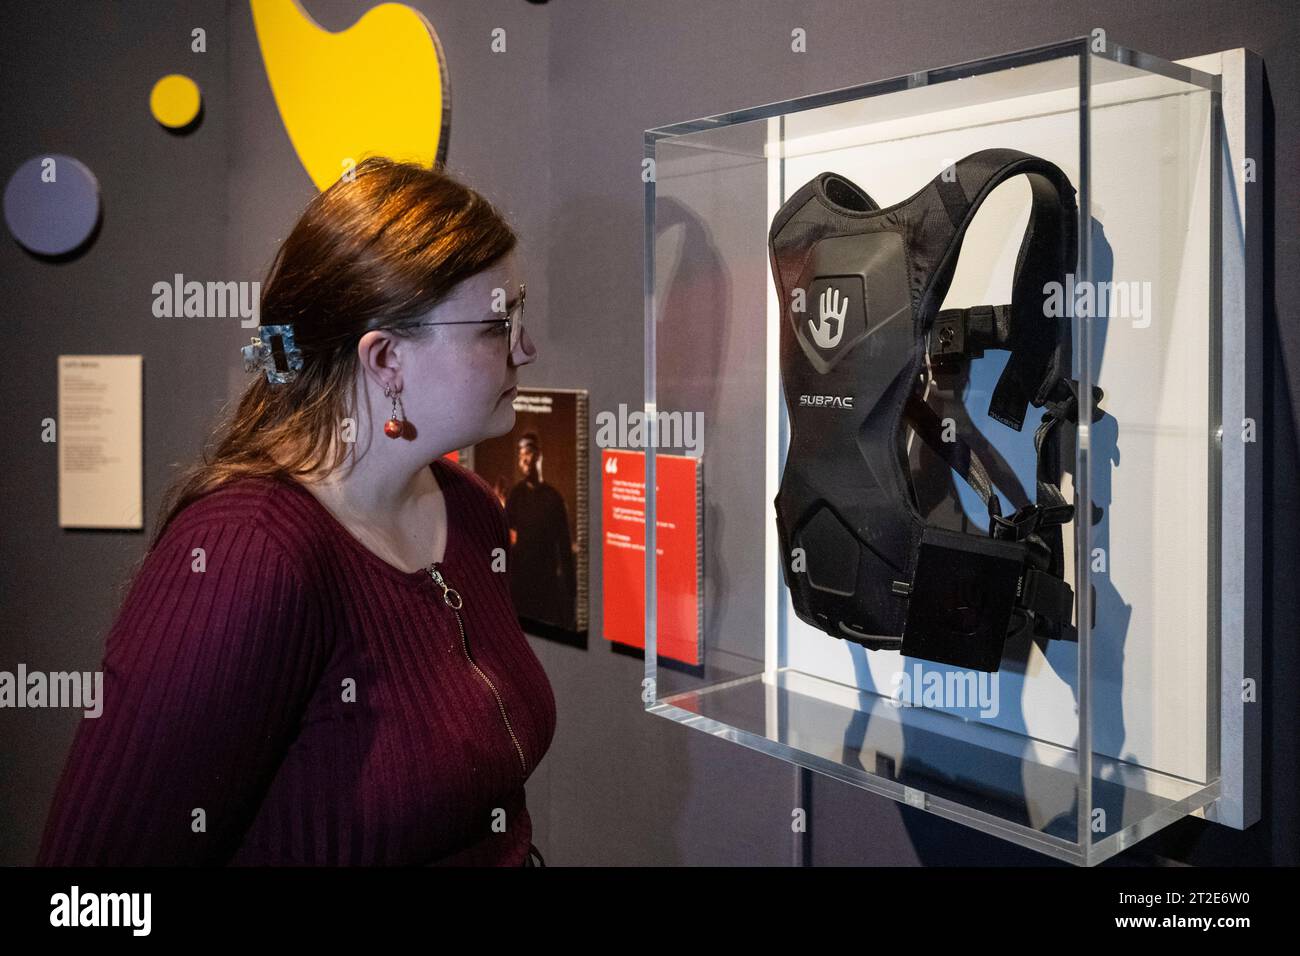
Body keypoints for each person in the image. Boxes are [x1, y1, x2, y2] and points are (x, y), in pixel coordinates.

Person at [35, 158, 555, 867]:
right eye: (498, 325)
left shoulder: (468, 513)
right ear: (386, 360)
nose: (526, 348)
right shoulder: (244, 558)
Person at [505, 432, 577, 630]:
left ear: (539, 455)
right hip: (520, 585)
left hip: (546, 585)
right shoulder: (516, 495)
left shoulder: (554, 498)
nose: (524, 459)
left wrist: (571, 593)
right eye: (520, 455)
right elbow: (502, 537)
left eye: (527, 452)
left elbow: (565, 548)